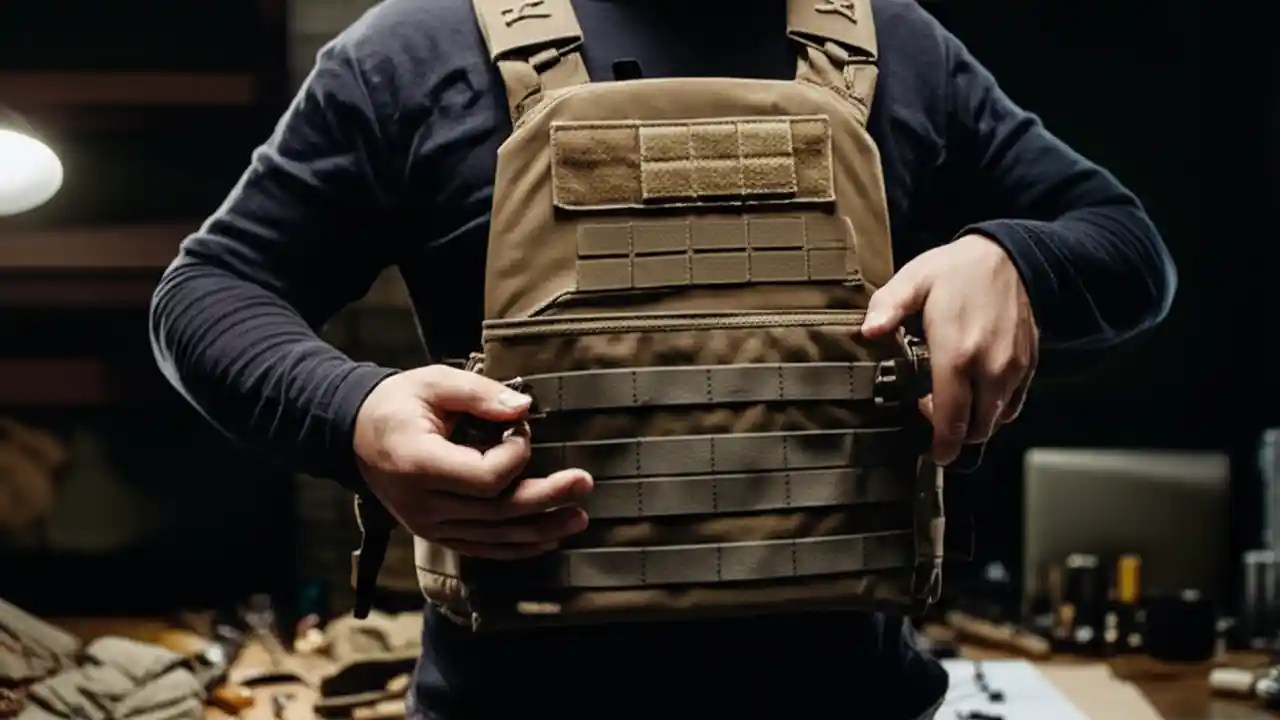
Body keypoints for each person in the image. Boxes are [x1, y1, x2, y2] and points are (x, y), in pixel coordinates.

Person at [149, 0, 1177, 717]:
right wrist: (354, 414)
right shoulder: (414, 51)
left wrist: (1009, 256)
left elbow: (1127, 248)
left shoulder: (898, 47)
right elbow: (207, 293)